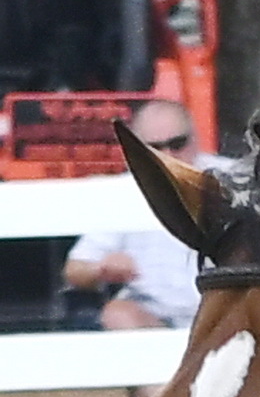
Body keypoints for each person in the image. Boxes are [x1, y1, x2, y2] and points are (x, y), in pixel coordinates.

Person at [64, 99, 210, 330]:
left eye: (177, 143)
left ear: (195, 139)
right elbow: (75, 269)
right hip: (154, 314)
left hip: (226, 305)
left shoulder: (231, 178)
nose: (168, 154)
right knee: (118, 314)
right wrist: (102, 268)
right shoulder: (123, 193)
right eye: (155, 147)